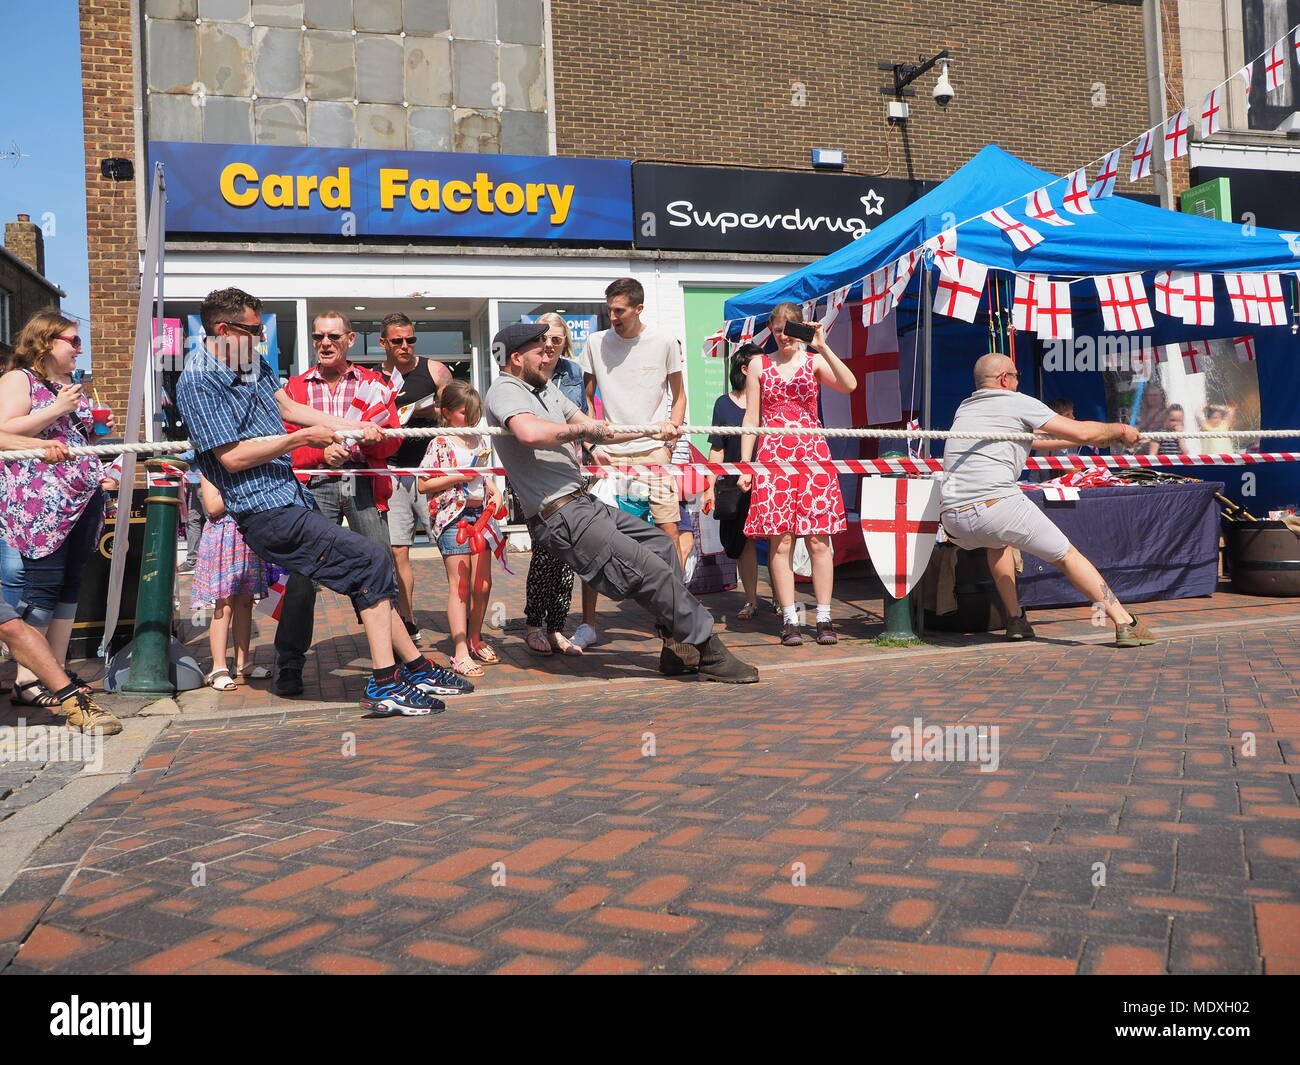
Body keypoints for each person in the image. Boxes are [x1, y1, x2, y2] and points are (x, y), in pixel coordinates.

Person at [173, 287, 469, 717]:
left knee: (367, 569)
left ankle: (416, 668)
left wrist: (351, 426)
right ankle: (385, 684)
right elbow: (232, 458)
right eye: (254, 330)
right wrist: (300, 441)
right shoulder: (199, 380)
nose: (261, 338)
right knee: (369, 562)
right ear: (224, 330)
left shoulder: (249, 361)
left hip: (288, 498)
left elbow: (289, 407)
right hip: (263, 511)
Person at [486, 321, 758, 683]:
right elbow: (529, 432)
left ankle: (677, 650)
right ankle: (708, 649)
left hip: (580, 502)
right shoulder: (506, 388)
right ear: (516, 358)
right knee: (648, 570)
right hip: (560, 514)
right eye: (540, 348)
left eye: (549, 345)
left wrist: (651, 429)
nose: (548, 351)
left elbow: (598, 429)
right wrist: (585, 431)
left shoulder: (545, 389)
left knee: (662, 546)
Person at [939, 353, 1157, 647]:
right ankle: (1124, 622)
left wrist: (1101, 439)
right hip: (997, 506)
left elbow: (1038, 440)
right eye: (1016, 376)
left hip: (954, 518)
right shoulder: (1016, 402)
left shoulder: (965, 409)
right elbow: (1078, 429)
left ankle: (1015, 619)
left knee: (998, 543)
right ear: (1005, 379)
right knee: (1067, 556)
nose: (1019, 381)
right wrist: (1118, 431)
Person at [271, 311, 422, 697]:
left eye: (333, 336)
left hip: (362, 483)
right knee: (301, 576)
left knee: (379, 568)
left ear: (350, 340)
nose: (325, 342)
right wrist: (323, 452)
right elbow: (288, 443)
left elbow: (393, 440)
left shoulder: (374, 384)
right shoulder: (295, 388)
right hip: (315, 484)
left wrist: (374, 442)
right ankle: (289, 662)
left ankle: (397, 659)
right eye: (319, 336)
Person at [0, 310, 118, 708]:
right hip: (39, 505)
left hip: (81, 498)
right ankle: (27, 678)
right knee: (42, 587)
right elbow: (2, 429)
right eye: (73, 340)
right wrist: (54, 410)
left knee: (71, 585)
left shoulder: (70, 385)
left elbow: (76, 436)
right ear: (45, 342)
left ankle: (57, 669)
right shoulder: (20, 380)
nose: (79, 349)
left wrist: (99, 429)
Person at [575, 278, 686, 650]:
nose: (613, 317)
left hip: (653, 451)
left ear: (638, 308)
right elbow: (584, 397)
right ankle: (589, 623)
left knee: (668, 533)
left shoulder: (664, 342)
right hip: (610, 453)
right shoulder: (595, 342)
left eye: (619, 310)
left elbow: (679, 394)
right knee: (593, 538)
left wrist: (670, 439)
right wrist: (592, 442)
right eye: (609, 310)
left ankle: (675, 615)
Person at [738, 303, 856, 647]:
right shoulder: (759, 364)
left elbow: (849, 385)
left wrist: (822, 344)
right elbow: (752, 417)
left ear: (801, 328)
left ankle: (823, 616)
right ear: (771, 331)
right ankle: (790, 618)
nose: (784, 336)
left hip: (812, 455)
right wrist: (746, 464)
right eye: (778, 330)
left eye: (791, 329)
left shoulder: (814, 360)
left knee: (819, 539)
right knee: (782, 540)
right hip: (774, 456)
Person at [0, 428, 121, 734]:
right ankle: (29, 680)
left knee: (13, 621)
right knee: (28, 587)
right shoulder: (20, 383)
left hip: (67, 504)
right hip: (31, 509)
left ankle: (61, 688)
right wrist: (46, 440)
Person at [418, 382, 502, 677]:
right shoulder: (440, 443)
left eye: (475, 412)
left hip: (482, 515)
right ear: (448, 413)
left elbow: (483, 475)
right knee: (461, 586)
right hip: (454, 517)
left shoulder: (478, 438)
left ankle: (476, 636)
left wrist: (494, 489)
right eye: (466, 412)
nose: (472, 417)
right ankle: (460, 650)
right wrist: (456, 476)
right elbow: (423, 483)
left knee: (483, 585)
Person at [378, 312, 453, 643]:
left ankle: (462, 622)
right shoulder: (372, 378)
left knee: (452, 545)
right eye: (398, 341)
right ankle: (407, 620)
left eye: (410, 339)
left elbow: (458, 413)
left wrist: (432, 411)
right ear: (384, 343)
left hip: (431, 469)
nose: (405, 346)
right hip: (392, 471)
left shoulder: (435, 370)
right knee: (398, 551)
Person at [520, 313, 584, 657]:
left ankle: (557, 625)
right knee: (545, 553)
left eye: (556, 340)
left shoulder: (573, 373)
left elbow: (583, 417)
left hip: (569, 468)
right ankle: (534, 624)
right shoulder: (526, 374)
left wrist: (593, 448)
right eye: (544, 341)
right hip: (536, 473)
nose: (550, 346)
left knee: (568, 555)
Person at [701, 343, 766, 618]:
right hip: (734, 485)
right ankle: (752, 600)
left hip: (767, 478)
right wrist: (709, 487)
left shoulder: (768, 401)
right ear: (744, 369)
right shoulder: (723, 404)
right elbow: (717, 447)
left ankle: (781, 600)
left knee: (778, 540)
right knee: (744, 543)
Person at [191, 475, 269, 691]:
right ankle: (219, 668)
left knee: (245, 603)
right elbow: (213, 507)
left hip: (247, 534)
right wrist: (247, 489)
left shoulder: (247, 466)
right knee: (223, 605)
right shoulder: (209, 470)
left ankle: (243, 664)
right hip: (223, 536)